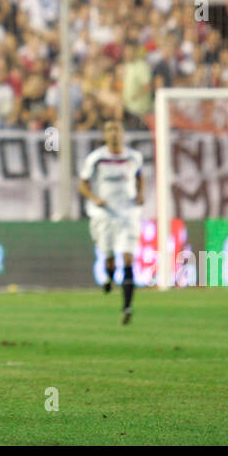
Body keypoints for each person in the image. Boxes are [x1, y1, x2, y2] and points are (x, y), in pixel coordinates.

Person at [78, 119, 144, 323]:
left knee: (127, 257)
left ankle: (127, 307)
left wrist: (140, 194)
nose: (114, 133)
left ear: (123, 133)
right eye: (109, 130)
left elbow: (140, 177)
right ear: (105, 135)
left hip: (127, 213)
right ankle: (108, 277)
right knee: (109, 258)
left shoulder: (134, 157)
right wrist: (95, 199)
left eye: (117, 129)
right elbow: (83, 184)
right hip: (104, 214)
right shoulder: (96, 158)